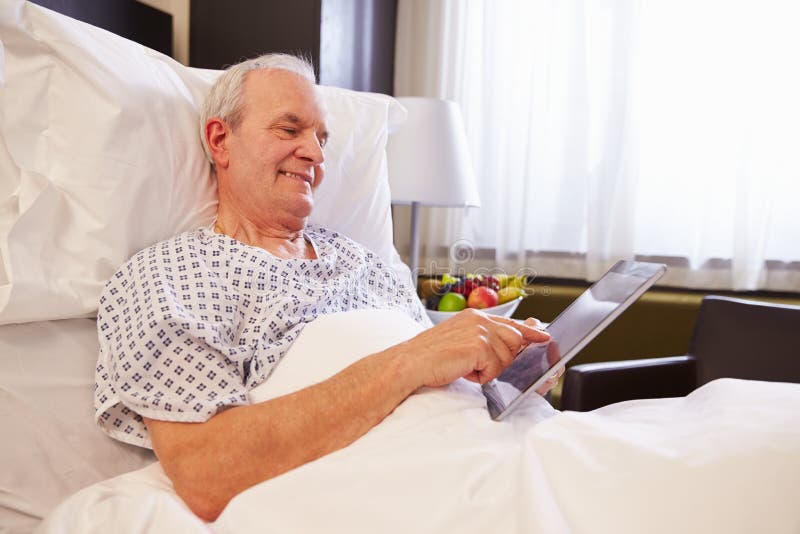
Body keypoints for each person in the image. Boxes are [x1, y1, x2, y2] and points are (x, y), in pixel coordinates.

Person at [94, 53, 558, 522]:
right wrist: (411, 359)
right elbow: (206, 471)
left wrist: (512, 377)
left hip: (499, 453)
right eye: (289, 130)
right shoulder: (172, 274)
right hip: (399, 494)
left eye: (320, 138)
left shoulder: (360, 260)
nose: (315, 153)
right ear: (221, 140)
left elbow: (445, 384)